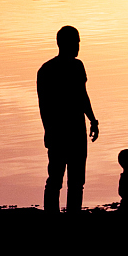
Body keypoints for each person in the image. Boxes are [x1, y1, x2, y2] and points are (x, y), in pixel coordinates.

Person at [35, 24, 99, 214]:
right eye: (77, 42)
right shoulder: (49, 70)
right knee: (59, 180)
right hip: (63, 131)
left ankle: (68, 217)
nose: (79, 46)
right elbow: (45, 105)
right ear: (65, 43)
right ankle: (61, 217)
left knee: (71, 180)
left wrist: (93, 120)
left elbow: (82, 96)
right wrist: (48, 130)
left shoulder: (51, 69)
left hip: (70, 130)